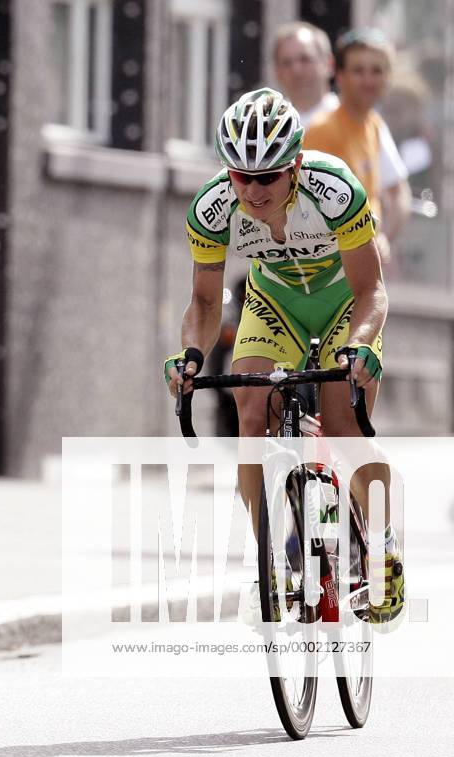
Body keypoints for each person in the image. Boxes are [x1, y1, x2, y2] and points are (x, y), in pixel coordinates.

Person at [165, 88, 404, 627]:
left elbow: (372, 290)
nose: (252, 190)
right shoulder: (211, 208)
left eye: (268, 176)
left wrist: (362, 344)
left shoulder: (336, 188)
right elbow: (204, 302)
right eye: (240, 175)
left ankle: (383, 539)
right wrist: (190, 356)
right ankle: (269, 565)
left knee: (344, 423)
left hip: (345, 300)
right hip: (275, 303)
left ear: (294, 165)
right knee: (252, 411)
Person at [274, 23, 410, 262]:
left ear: (328, 65)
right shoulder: (312, 130)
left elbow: (398, 191)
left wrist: (383, 238)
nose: (368, 80)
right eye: (358, 71)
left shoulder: (372, 123)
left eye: (305, 59)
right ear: (341, 75)